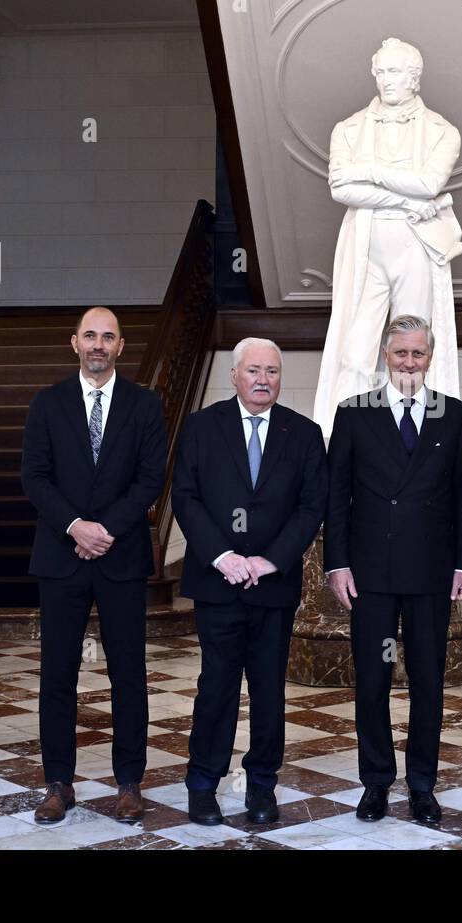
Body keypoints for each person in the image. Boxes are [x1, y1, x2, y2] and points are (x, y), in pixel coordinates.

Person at [325, 315, 462, 825]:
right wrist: (337, 564)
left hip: (432, 572)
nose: (408, 362)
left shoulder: (454, 415)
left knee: (428, 682)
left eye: (417, 354)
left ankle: (422, 785)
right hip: (369, 573)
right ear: (384, 357)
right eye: (399, 354)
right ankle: (375, 782)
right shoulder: (353, 413)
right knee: (372, 680)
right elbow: (336, 498)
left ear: (429, 358)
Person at [171, 338, 328, 826]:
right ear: (234, 376)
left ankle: (262, 786)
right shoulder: (201, 427)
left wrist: (270, 560)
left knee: (268, 690)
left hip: (273, 585)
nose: (264, 379)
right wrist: (223, 556)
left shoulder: (304, 433)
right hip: (218, 583)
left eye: (273, 371)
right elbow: (186, 497)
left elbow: (311, 507)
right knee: (215, 685)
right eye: (254, 370)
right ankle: (203, 784)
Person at [21, 306, 168, 825]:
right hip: (61, 557)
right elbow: (34, 477)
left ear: (121, 347)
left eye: (108, 336)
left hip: (121, 556)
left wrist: (103, 531)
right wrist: (76, 527)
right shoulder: (47, 403)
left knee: (128, 673)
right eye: (90, 336)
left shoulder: (145, 406)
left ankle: (129, 783)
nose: (99, 344)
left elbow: (151, 480)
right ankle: (58, 784)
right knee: (57, 675)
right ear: (75, 343)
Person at [312, 36, 462, 437]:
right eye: (380, 72)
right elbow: (340, 188)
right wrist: (407, 193)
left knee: (411, 348)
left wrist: (371, 170)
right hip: (365, 244)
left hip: (416, 245)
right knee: (354, 350)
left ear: (415, 77)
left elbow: (430, 181)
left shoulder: (442, 131)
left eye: (394, 71)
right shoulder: (347, 129)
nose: (385, 79)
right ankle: (344, 436)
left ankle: (411, 434)